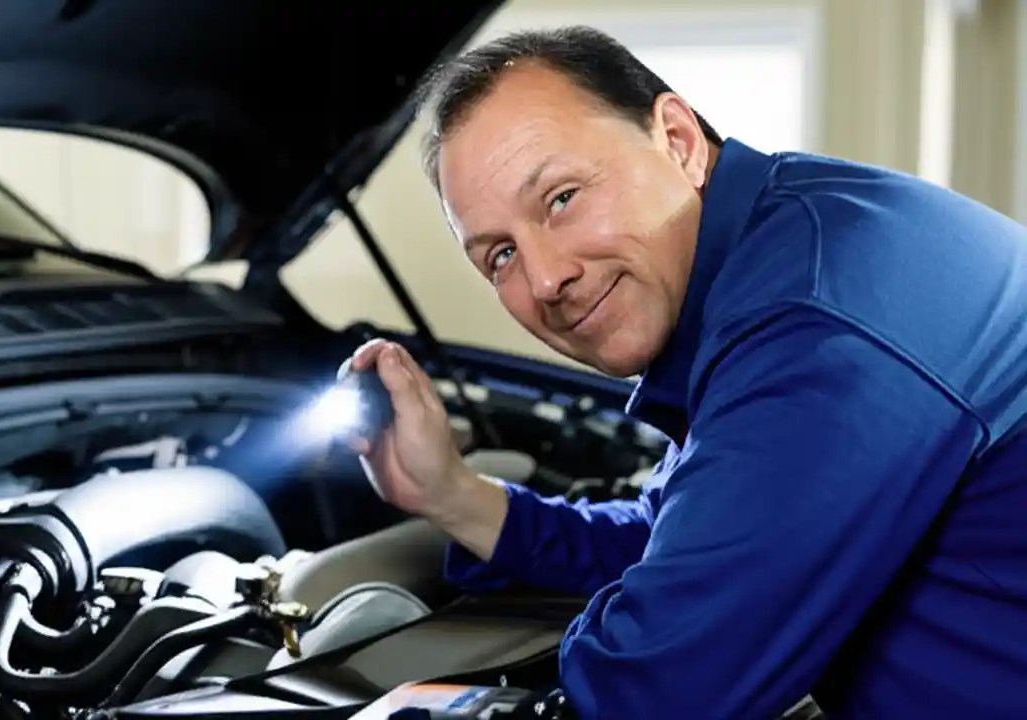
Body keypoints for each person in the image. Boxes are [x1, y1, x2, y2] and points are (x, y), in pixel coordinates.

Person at [344, 26, 1027, 720]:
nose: (546, 279)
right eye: (499, 257)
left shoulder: (814, 325)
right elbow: (682, 542)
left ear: (677, 139)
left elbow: (654, 692)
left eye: (561, 198)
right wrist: (449, 492)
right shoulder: (786, 243)